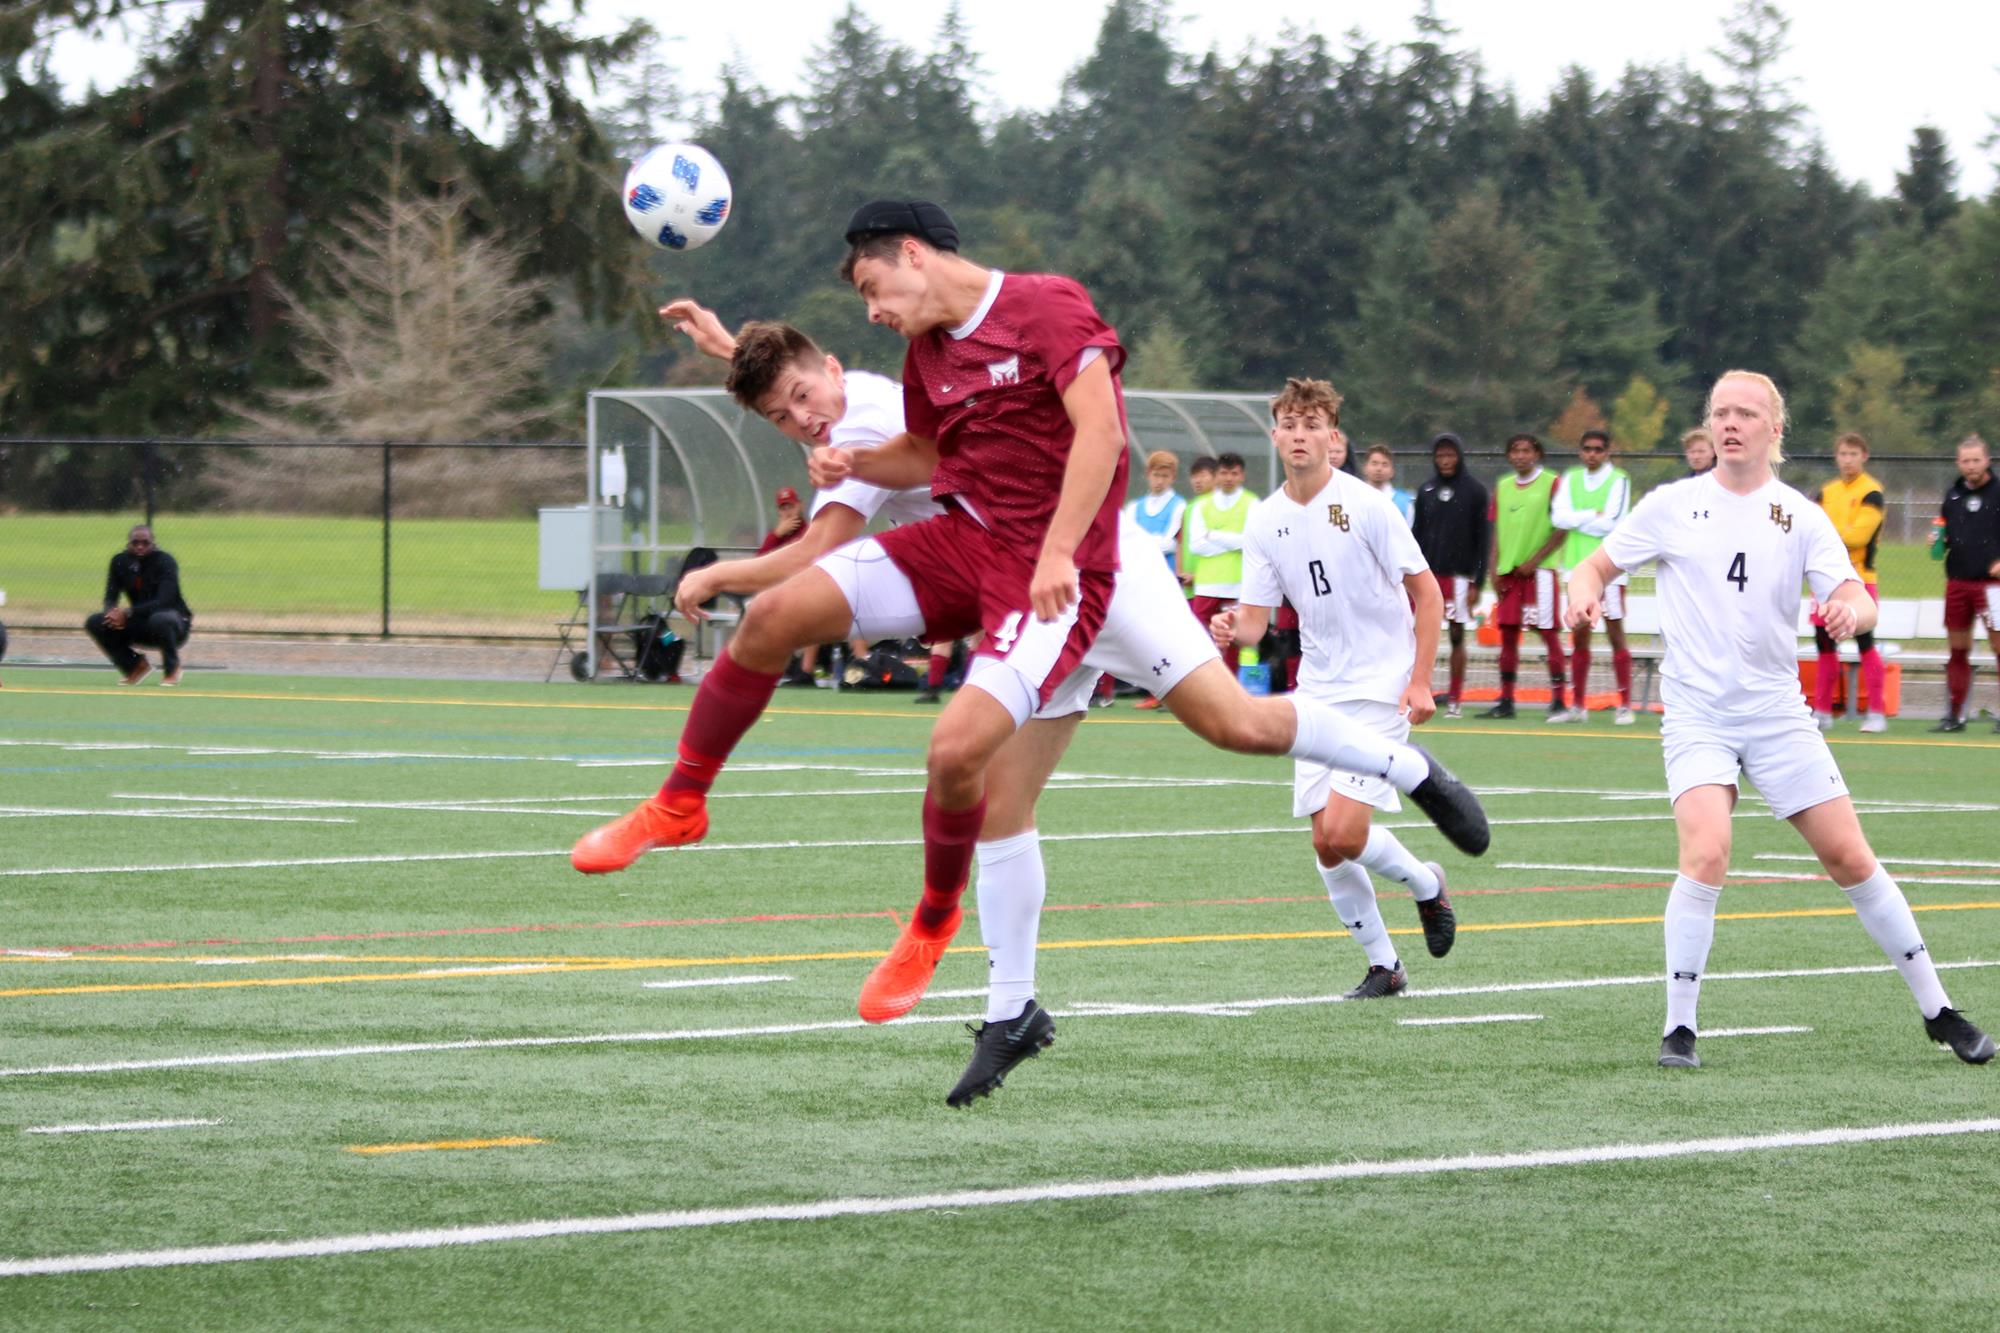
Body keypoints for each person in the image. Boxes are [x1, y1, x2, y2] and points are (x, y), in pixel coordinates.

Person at [572, 204, 1489, 1080]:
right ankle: (1010, 1007)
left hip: (1087, 568)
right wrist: (735, 351)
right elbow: (814, 394)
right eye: (785, 412)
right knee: (999, 793)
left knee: (1230, 724)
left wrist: (722, 568)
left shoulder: (1010, 320)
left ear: (913, 255)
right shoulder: (909, 366)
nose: (871, 310)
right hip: (998, 565)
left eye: (870, 287)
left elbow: (1064, 436)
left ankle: (1412, 774)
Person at [1566, 370, 1993, 1069]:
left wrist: (1850, 609)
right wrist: (1583, 595)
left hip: (1775, 712)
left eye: (1745, 413)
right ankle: (1680, 1028)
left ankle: (1938, 1008)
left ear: (1775, 429)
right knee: (1706, 850)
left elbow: (1857, 595)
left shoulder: (1798, 514)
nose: (1729, 423)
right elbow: (1593, 568)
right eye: (1719, 413)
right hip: (1698, 713)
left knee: (1849, 856)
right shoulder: (1672, 505)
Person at [1213, 379, 1456, 1000]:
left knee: (1345, 833)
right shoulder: (1265, 520)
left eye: (1312, 423)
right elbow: (1255, 624)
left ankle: (1427, 884)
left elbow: (1426, 593)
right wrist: (1227, 628)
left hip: (1380, 687)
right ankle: (1385, 966)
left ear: (1333, 438)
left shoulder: (1369, 505)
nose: (1299, 434)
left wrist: (1422, 679)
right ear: (1275, 435)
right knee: (1326, 846)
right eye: (1289, 423)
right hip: (1317, 693)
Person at [1549, 429, 1634, 725]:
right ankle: (1578, 706)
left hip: (1609, 569)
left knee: (1615, 633)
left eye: (1598, 449)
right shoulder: (1570, 478)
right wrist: (1590, 515)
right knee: (1580, 636)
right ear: (1580, 451)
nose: (1592, 454)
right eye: (1587, 449)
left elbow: (1611, 523)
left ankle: (1625, 704)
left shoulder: (1619, 479)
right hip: (1575, 569)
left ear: (1607, 451)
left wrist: (1578, 518)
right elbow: (1557, 517)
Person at [1482, 433, 1567, 719]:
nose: (1520, 455)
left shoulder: (1552, 483)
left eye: (1526, 450)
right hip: (1509, 574)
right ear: (1508, 456)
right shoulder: (1503, 487)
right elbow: (1496, 532)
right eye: (1515, 450)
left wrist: (1534, 561)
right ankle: (1506, 701)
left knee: (1547, 633)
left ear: (1537, 454)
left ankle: (1559, 701)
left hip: (1539, 573)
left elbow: (1562, 529)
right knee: (1507, 635)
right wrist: (1493, 570)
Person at [1810, 433, 1888, 733]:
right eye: (1843, 454)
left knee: (1865, 644)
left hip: (1859, 581)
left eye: (1853, 454)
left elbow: (1859, 536)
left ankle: (1877, 713)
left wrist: (1828, 533)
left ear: (1864, 456)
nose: (1847, 460)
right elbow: (1810, 531)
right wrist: (1837, 532)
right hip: (1825, 583)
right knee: (1825, 646)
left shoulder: (1872, 492)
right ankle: (1823, 712)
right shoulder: (1827, 491)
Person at [1411, 433, 1488, 717]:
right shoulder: (1426, 490)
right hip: (1426, 578)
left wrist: (1477, 580)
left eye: (1450, 455)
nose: (1445, 461)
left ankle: (1455, 698)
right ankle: (1416, 690)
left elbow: (1483, 540)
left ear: (1459, 457)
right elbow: (1415, 537)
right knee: (1416, 635)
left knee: (1457, 635)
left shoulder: (1475, 491)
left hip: (1458, 577)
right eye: (1440, 456)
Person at [1935, 435, 2000, 733]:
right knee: (1958, 650)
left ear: (1987, 460)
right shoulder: (1953, 495)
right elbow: (1945, 532)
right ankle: (1955, 714)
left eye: (1976, 460)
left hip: (1993, 586)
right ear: (1958, 463)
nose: (1971, 466)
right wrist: (1938, 540)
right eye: (1966, 461)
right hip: (1958, 583)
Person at [84, 524, 192, 686]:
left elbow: (164, 601)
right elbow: (110, 597)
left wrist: (128, 613)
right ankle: (135, 666)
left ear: (153, 544)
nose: (140, 547)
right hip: (141, 620)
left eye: (145, 543)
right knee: (95, 622)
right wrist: (111, 615)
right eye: (135, 543)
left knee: (161, 619)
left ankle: (172, 669)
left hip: (173, 623)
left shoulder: (165, 561)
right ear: (129, 544)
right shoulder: (119, 562)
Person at [1124, 450, 1186, 709]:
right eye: (1156, 475)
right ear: (1147, 475)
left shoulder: (1179, 505)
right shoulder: (1134, 506)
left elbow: (1170, 542)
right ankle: (1153, 690)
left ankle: (1166, 693)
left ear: (1173, 477)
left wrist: (1142, 542)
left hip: (1165, 579)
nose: (1159, 480)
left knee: (1165, 638)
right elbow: (1127, 541)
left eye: (1165, 475)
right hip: (1138, 579)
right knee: (1142, 637)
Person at [1185, 452, 1257, 675]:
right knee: (1200, 639)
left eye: (1234, 473)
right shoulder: (1201, 505)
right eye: (1224, 473)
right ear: (1216, 476)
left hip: (1237, 584)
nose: (1228, 478)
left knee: (1232, 640)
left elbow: (1251, 541)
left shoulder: (1252, 503)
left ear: (1242, 476)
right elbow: (1196, 544)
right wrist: (1233, 540)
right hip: (1206, 585)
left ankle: (1231, 691)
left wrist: (1214, 535)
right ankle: (1201, 686)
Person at [1178, 457, 1217, 591]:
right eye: (1194, 476)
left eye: (1202, 475)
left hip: (1212, 585)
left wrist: (1197, 576)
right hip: (1188, 586)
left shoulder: (1219, 505)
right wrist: (1180, 573)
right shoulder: (1189, 507)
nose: (1197, 480)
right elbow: (1180, 543)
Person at [1362, 444, 1415, 524]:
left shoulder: (1405, 502)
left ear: (1392, 472)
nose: (1379, 468)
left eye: (1385, 464)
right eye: (1374, 463)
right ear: (1365, 468)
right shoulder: (1352, 498)